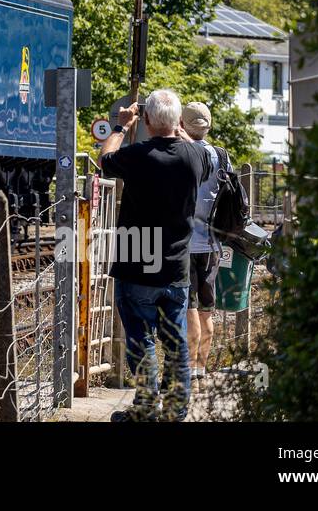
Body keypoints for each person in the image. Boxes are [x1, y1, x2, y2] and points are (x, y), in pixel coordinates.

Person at [97, 89, 211, 421]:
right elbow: (189, 141)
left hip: (137, 260)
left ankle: (146, 407)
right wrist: (175, 125)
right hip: (176, 267)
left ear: (146, 120)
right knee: (175, 343)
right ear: (177, 122)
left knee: (140, 338)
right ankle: (176, 411)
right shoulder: (197, 157)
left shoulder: (137, 155)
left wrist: (120, 127)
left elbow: (104, 160)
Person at [181, 102, 222, 381]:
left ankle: (188, 369)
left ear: (182, 124)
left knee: (190, 308)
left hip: (185, 244)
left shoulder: (184, 153)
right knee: (207, 309)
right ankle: (200, 368)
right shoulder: (220, 155)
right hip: (212, 242)